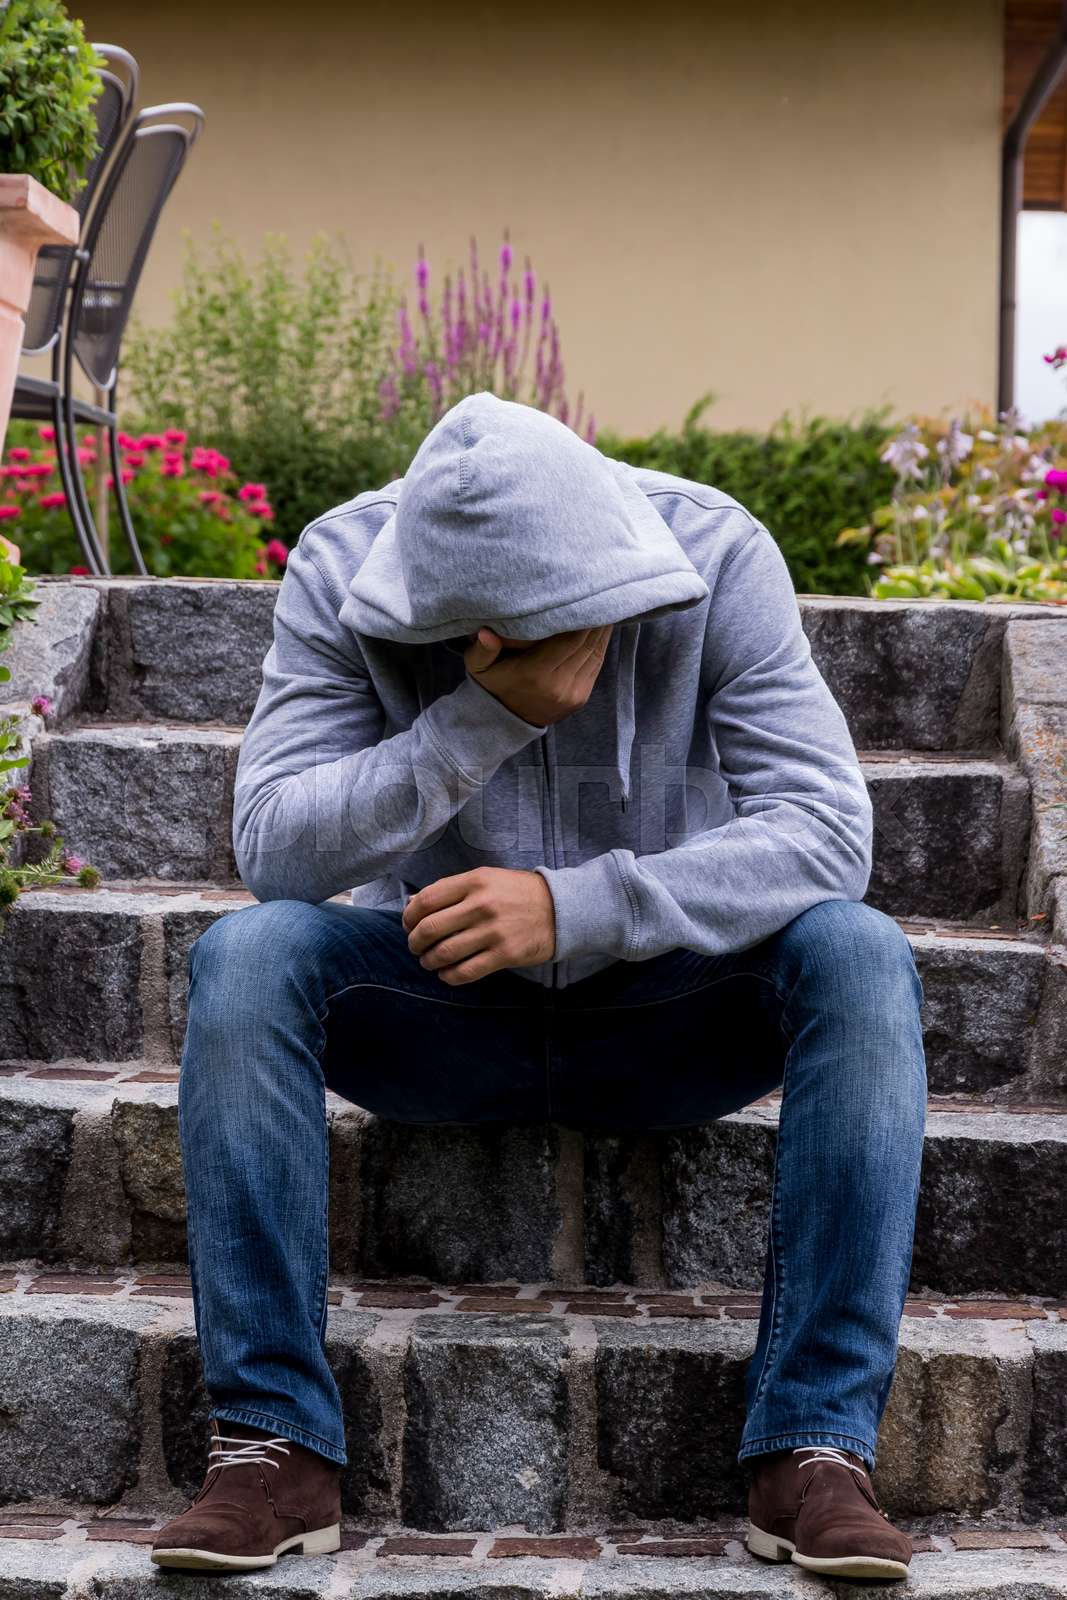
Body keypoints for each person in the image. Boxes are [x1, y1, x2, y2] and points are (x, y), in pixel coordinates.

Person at [152, 391, 926, 1578]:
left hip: (671, 1009)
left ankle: (813, 1449)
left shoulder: (713, 551)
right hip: (436, 1002)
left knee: (858, 950)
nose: (502, 646)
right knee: (244, 958)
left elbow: (826, 831)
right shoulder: (343, 562)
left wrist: (580, 905)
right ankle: (271, 1446)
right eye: (466, 636)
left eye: (534, 631)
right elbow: (274, 849)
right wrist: (482, 718)